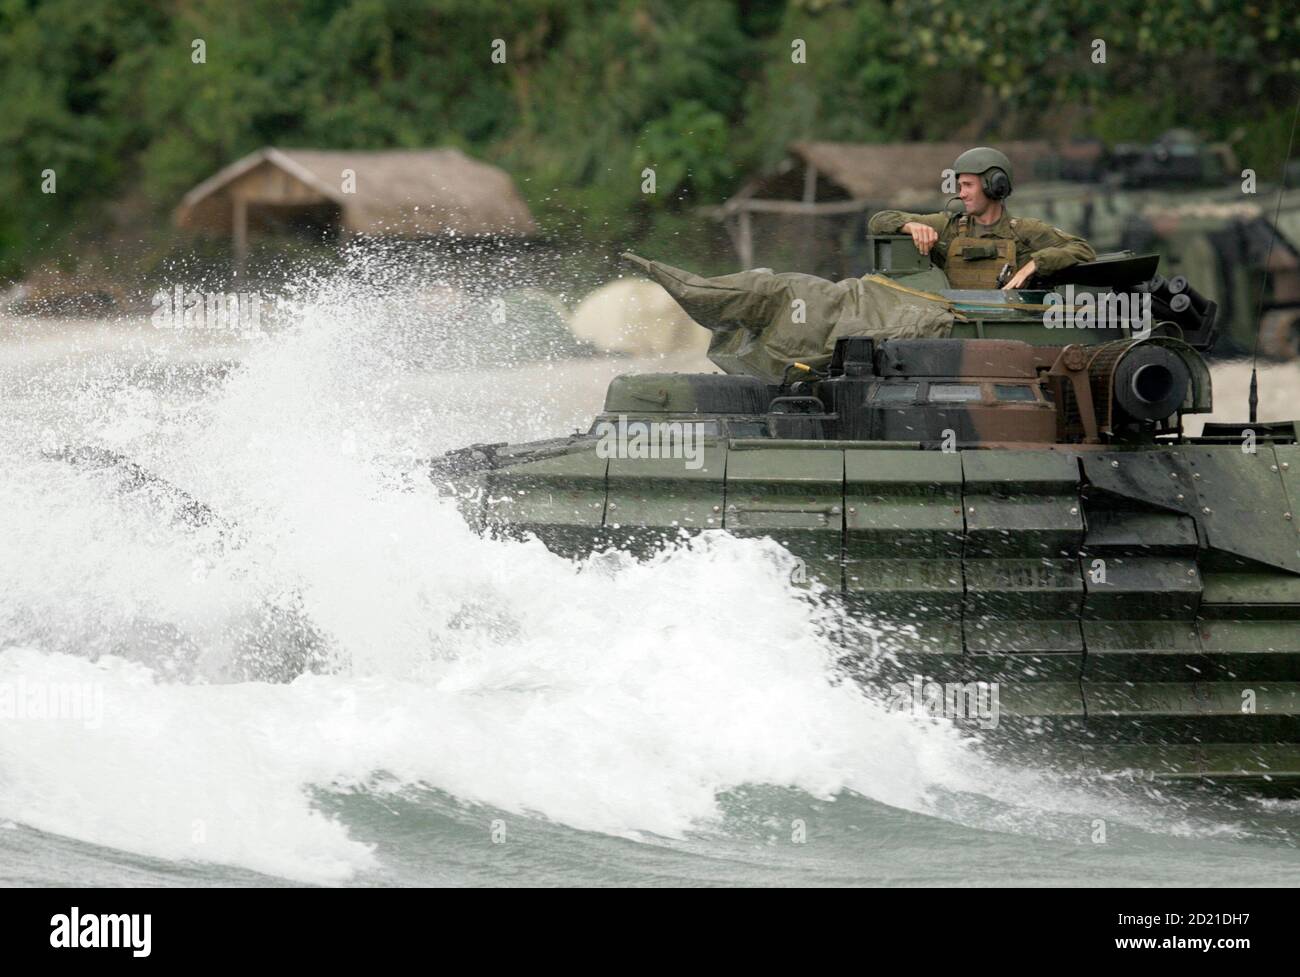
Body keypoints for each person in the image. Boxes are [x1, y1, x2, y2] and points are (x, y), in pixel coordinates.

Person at [867, 147, 1096, 290]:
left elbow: (1083, 250)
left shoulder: (1025, 231)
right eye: (960, 186)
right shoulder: (948, 227)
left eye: (968, 185)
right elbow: (878, 221)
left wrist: (1036, 263)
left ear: (995, 186)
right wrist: (910, 225)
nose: (962, 193)